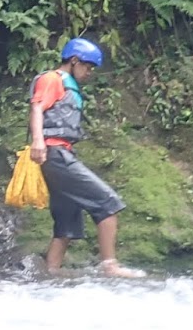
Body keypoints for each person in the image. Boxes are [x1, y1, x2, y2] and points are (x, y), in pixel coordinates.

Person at [28, 37, 145, 278]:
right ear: (74, 61)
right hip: (54, 154)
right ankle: (110, 266)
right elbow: (37, 107)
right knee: (107, 203)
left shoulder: (69, 85)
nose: (89, 73)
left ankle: (51, 272)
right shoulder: (53, 79)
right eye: (87, 67)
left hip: (60, 154)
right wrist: (38, 141)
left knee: (67, 220)